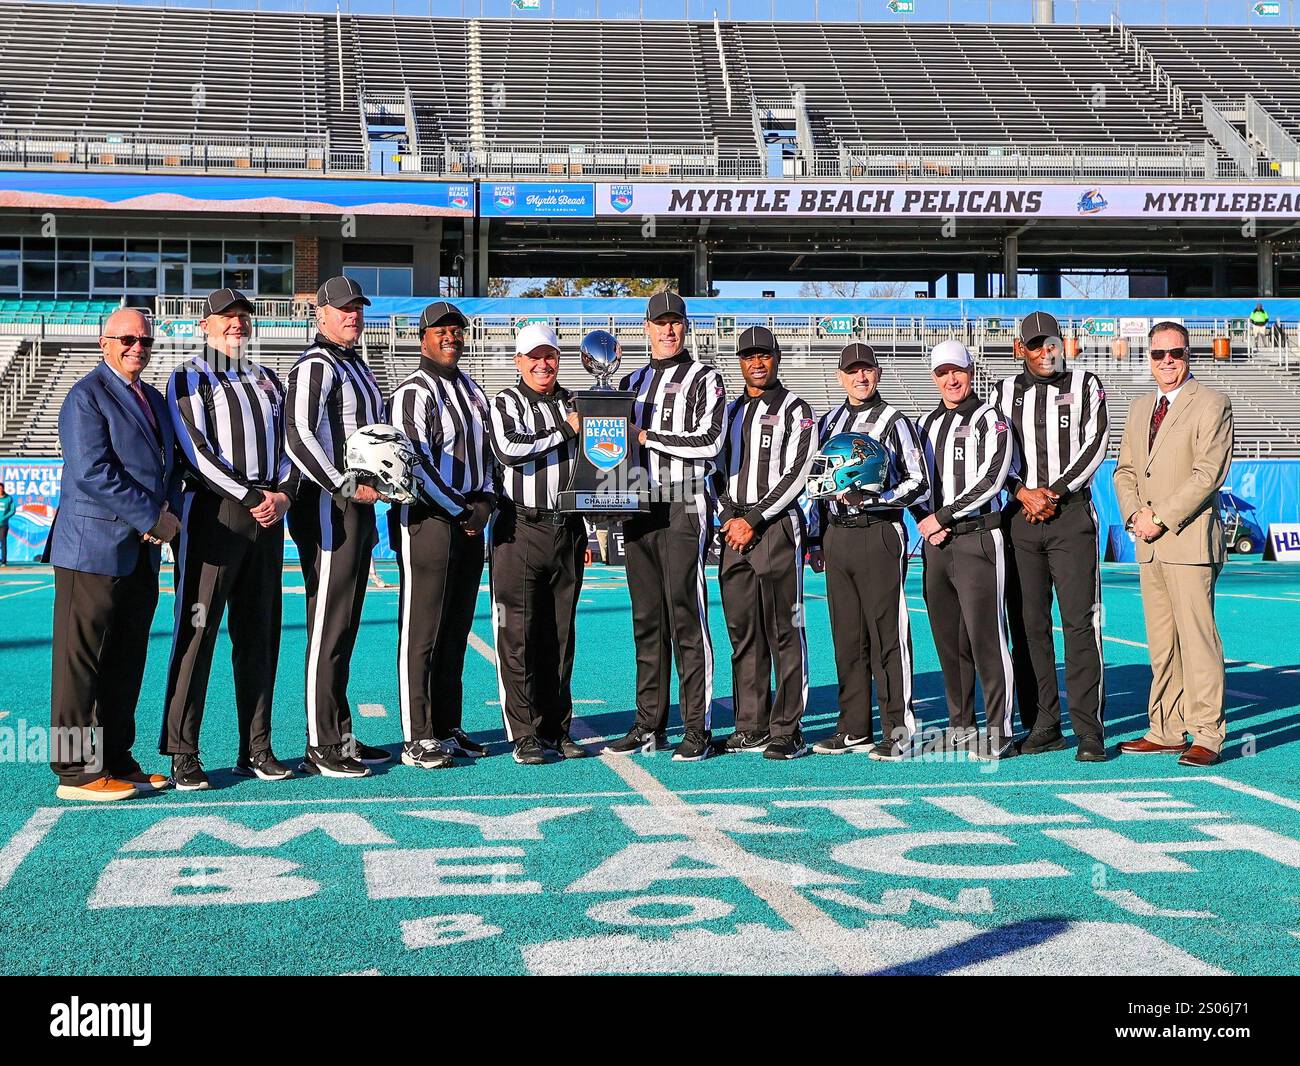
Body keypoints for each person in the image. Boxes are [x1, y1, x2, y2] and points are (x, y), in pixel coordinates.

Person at [159, 288, 295, 790]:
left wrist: (280, 494)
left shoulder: (267, 377)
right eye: (226, 318)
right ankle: (183, 751)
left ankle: (256, 748)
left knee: (260, 636)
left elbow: (287, 444)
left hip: (266, 517)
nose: (237, 325)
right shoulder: (187, 377)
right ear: (205, 324)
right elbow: (196, 450)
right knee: (198, 632)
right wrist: (248, 494)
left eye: (243, 318)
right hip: (215, 516)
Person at [46, 308, 179, 800]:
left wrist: (163, 513)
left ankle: (117, 757)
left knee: (126, 659)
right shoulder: (85, 396)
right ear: (105, 343)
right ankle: (75, 770)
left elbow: (170, 469)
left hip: (140, 553)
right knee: (78, 663)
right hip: (91, 550)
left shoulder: (155, 400)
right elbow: (91, 471)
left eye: (144, 339)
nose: (136, 347)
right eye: (126, 339)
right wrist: (151, 518)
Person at [604, 291, 726, 762]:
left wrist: (648, 435)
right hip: (638, 502)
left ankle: (697, 726)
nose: (668, 330)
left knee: (686, 614)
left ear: (685, 327)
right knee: (646, 619)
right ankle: (648, 722)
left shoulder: (705, 378)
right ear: (646, 328)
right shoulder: (630, 380)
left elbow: (710, 442)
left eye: (675, 322)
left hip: (682, 502)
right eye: (660, 323)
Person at [990, 311, 1109, 763]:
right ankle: (1044, 723)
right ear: (1020, 349)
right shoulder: (1003, 391)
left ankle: (1089, 728)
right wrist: (1022, 492)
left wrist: (1053, 493)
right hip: (1021, 516)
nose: (1046, 351)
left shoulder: (1086, 383)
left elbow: (1096, 442)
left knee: (1081, 623)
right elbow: (995, 450)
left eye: (1052, 342)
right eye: (1036, 344)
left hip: (1071, 515)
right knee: (1028, 624)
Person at [284, 275, 392, 779]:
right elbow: (299, 436)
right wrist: (344, 485)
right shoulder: (315, 364)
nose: (353, 315)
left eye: (358, 308)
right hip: (329, 505)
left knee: (344, 624)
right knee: (327, 623)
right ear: (321, 313)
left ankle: (341, 734)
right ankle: (321, 741)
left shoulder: (359, 366)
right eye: (343, 308)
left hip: (360, 505)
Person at [1114, 321, 1234, 767]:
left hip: (1187, 541)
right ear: (1148, 358)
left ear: (1189, 356)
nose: (1168, 361)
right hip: (1148, 542)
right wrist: (1133, 516)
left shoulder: (1212, 404)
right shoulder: (1140, 406)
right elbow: (1125, 471)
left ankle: (1207, 733)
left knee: (1197, 640)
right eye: (1159, 354)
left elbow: (1208, 475)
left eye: (1176, 353)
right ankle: (1165, 728)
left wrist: (1159, 517)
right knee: (1162, 642)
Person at [807, 342, 929, 760]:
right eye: (852, 371)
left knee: (887, 634)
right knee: (847, 637)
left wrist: (875, 500)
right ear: (840, 376)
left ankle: (899, 729)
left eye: (867, 370)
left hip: (878, 531)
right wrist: (815, 536)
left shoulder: (895, 420)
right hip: (837, 536)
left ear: (877, 373)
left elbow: (919, 481)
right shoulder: (828, 421)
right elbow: (820, 486)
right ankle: (853, 727)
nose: (861, 378)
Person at [389, 300, 494, 769]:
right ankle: (418, 734)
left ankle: (448, 726)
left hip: (470, 517)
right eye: (440, 330)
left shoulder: (472, 389)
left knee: (455, 629)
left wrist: (486, 501)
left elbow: (489, 454)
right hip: (430, 519)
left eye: (456, 329)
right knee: (423, 629)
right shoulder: (413, 391)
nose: (450, 337)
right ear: (422, 337)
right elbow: (413, 463)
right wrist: (460, 508)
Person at [713, 327, 817, 759]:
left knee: (784, 630)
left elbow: (799, 472)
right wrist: (728, 516)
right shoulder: (729, 411)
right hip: (733, 532)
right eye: (748, 356)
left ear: (777, 358)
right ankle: (750, 725)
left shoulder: (797, 409)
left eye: (765, 355)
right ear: (740, 361)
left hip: (774, 528)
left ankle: (787, 728)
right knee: (743, 632)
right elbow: (713, 468)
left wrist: (752, 518)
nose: (757, 362)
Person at [488, 324, 588, 765]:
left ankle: (556, 728)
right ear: (518, 360)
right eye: (534, 356)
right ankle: (524, 732)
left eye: (549, 355)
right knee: (519, 634)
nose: (542, 363)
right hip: (520, 528)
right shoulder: (506, 401)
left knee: (561, 637)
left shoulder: (576, 401)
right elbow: (509, 448)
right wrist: (567, 431)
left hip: (567, 528)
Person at [914, 339, 1016, 761]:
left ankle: (1000, 728)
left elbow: (993, 478)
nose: (950, 379)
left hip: (977, 538)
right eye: (942, 373)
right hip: (937, 543)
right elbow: (914, 476)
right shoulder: (924, 423)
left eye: (957, 370)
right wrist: (927, 517)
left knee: (985, 635)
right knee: (948, 640)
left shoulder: (991, 417)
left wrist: (945, 516)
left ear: (971, 371)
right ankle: (960, 724)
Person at [0, 483, 13, 565]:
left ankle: (4, 560)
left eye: (1, 488)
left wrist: (4, 517)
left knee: (3, 541)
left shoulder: (8, 498)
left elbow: (12, 510)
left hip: (3, 525)